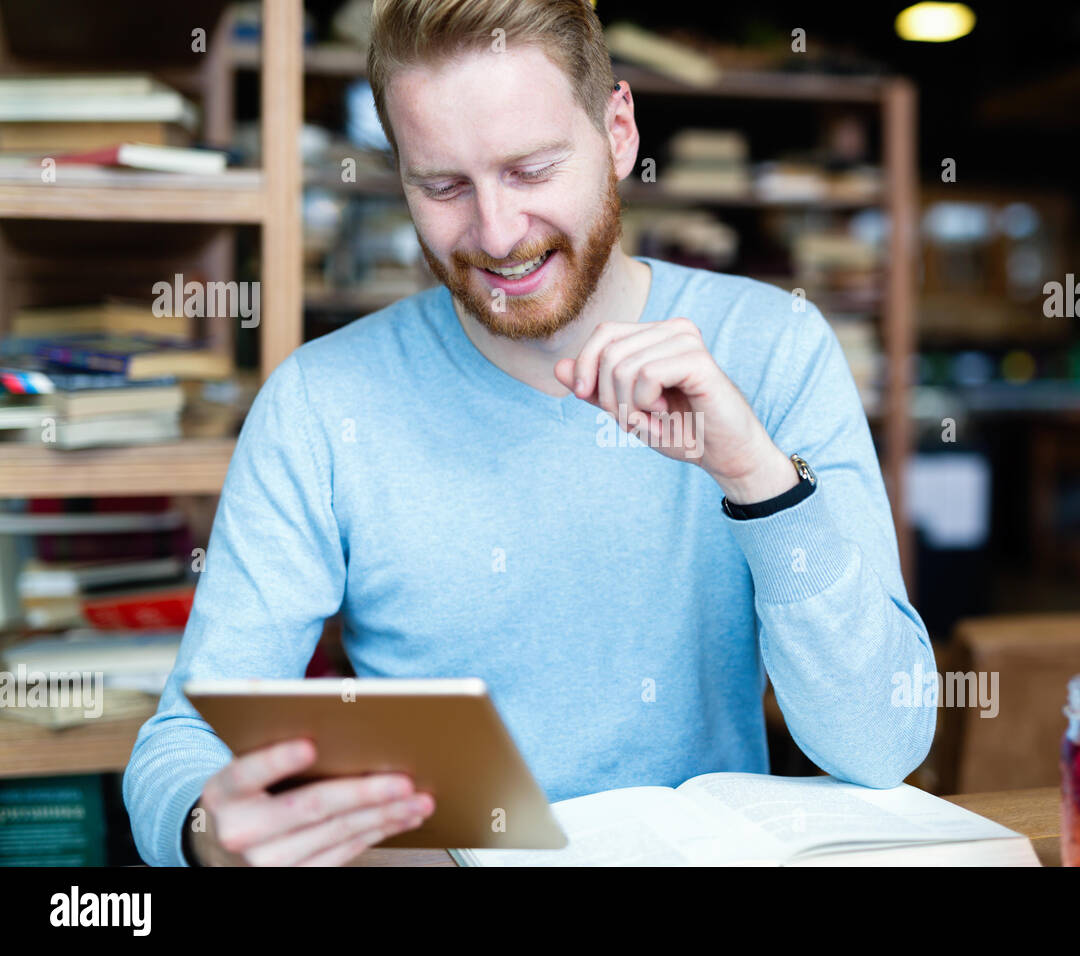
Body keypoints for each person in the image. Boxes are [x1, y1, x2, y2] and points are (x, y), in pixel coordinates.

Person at [124, 0, 936, 866]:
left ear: (619, 133)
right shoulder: (320, 403)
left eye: (532, 170)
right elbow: (178, 744)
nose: (497, 234)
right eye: (442, 187)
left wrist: (756, 477)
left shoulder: (775, 347)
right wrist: (211, 832)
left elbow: (881, 742)